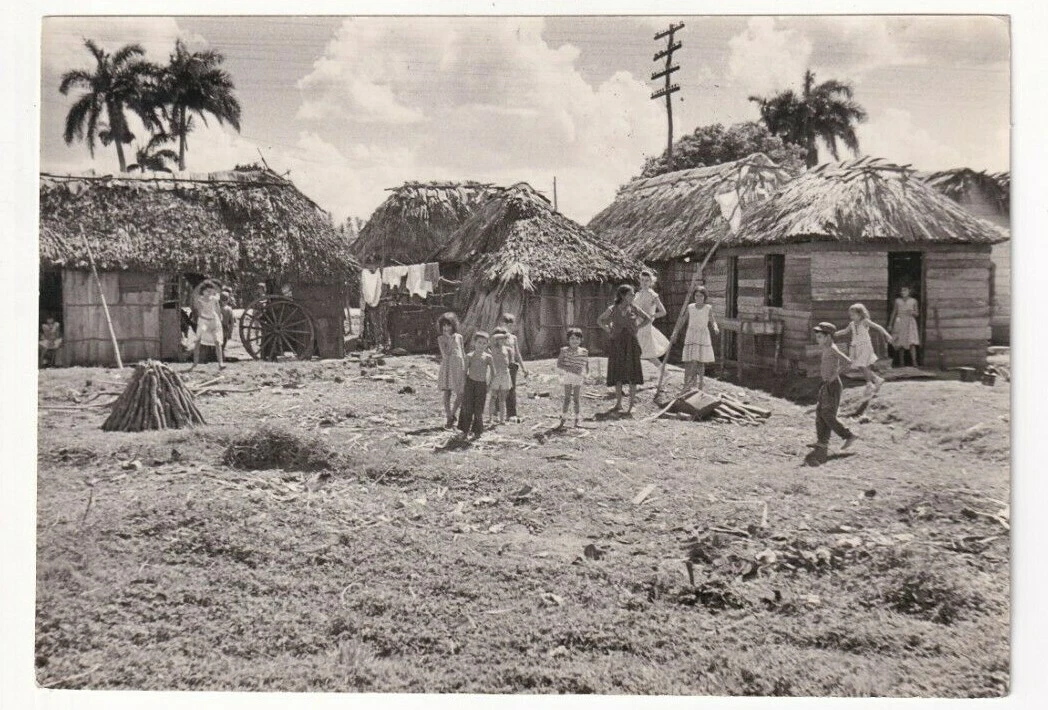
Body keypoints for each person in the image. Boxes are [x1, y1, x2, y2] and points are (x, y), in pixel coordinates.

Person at [598, 284, 653, 415]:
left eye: (633, 294)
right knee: (618, 373)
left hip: (631, 343)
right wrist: (608, 330)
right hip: (617, 343)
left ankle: (632, 405)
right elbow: (600, 320)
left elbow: (648, 318)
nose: (633, 296)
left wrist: (637, 327)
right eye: (631, 294)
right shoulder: (612, 309)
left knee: (632, 373)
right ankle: (618, 404)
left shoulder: (634, 308)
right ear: (623, 295)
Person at [809, 322, 858, 465]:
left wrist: (834, 375)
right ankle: (822, 442)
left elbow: (847, 362)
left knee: (827, 414)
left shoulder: (832, 348)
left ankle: (849, 435)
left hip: (833, 385)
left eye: (819, 337)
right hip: (826, 384)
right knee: (820, 413)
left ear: (828, 337)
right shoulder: (826, 348)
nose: (817, 340)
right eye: (817, 337)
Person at [835, 303, 892, 398]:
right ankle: (877, 379)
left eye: (853, 315)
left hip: (865, 346)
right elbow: (845, 331)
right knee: (859, 365)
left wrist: (887, 334)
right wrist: (836, 333)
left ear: (860, 314)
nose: (851, 317)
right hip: (855, 347)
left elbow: (878, 327)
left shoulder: (865, 321)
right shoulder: (852, 324)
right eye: (850, 315)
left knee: (862, 364)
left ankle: (869, 384)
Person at [680, 286, 719, 391]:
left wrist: (715, 327)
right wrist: (676, 332)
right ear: (694, 297)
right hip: (691, 334)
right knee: (690, 360)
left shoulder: (708, 308)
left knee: (700, 361)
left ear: (704, 297)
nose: (698, 298)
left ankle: (701, 383)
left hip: (702, 335)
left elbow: (713, 320)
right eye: (696, 296)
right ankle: (688, 383)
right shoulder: (690, 307)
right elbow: (683, 320)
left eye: (701, 296)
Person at [458, 331, 494, 440]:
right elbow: (464, 372)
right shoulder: (469, 356)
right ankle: (464, 431)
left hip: (481, 385)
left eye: (484, 343)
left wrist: (489, 386)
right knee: (467, 407)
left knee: (479, 409)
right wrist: (464, 385)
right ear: (474, 343)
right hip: (470, 384)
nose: (481, 345)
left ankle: (477, 431)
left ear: (487, 344)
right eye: (479, 342)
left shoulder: (488, 357)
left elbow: (494, 373)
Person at [437, 312, 466, 428]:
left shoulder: (459, 337)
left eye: (448, 325)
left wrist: (465, 367)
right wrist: (449, 339)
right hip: (448, 367)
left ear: (453, 326)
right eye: (444, 326)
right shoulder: (440, 339)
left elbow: (462, 353)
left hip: (458, 367)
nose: (446, 328)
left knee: (461, 392)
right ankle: (449, 416)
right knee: (447, 392)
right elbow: (445, 354)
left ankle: (453, 412)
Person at [634, 269, 669, 364]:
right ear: (639, 281)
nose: (644, 282)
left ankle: (665, 373)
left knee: (647, 353)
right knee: (638, 351)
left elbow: (663, 312)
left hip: (645, 326)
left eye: (647, 280)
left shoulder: (653, 295)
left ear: (651, 282)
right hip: (635, 324)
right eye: (642, 280)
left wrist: (651, 315)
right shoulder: (637, 294)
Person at [557, 327, 589, 428]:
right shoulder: (564, 351)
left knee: (576, 399)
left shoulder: (584, 351)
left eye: (577, 339)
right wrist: (571, 369)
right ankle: (563, 418)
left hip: (578, 377)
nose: (575, 341)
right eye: (572, 338)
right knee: (567, 399)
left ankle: (577, 419)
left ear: (581, 340)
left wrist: (587, 374)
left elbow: (586, 365)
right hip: (568, 376)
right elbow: (559, 364)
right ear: (568, 340)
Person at [500, 313, 529, 422]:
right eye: (506, 324)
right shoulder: (498, 337)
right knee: (500, 388)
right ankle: (498, 412)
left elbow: (517, 353)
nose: (509, 327)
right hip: (501, 365)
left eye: (511, 325)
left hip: (512, 366)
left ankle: (511, 413)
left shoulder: (514, 338)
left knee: (511, 389)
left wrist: (523, 367)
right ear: (502, 324)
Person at [189, 280, 224, 371]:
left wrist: (219, 319)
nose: (209, 293)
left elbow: (218, 310)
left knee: (217, 341)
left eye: (211, 292)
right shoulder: (199, 300)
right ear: (203, 291)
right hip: (204, 322)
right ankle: (195, 363)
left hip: (213, 321)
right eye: (207, 291)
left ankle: (220, 363)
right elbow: (200, 313)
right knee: (198, 340)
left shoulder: (214, 299)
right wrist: (207, 320)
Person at [487, 327, 513, 426]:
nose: (502, 340)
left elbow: (509, 361)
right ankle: (490, 418)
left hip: (505, 374)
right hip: (496, 375)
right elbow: (493, 337)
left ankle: (502, 419)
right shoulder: (494, 348)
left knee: (503, 398)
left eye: (503, 339)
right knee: (493, 396)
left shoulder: (507, 349)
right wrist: (505, 335)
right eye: (500, 338)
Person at [889, 286, 921, 367]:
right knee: (900, 342)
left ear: (909, 291)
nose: (903, 292)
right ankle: (901, 362)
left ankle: (914, 362)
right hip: (900, 321)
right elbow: (894, 312)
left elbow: (917, 314)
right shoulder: (898, 301)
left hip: (910, 322)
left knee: (912, 342)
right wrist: (890, 324)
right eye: (902, 291)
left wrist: (912, 312)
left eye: (905, 290)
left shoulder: (914, 301)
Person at [220, 290, 236, 357]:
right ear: (228, 300)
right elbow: (232, 322)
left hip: (218, 329)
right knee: (223, 343)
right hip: (225, 329)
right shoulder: (229, 309)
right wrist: (230, 332)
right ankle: (221, 355)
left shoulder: (218, 308)